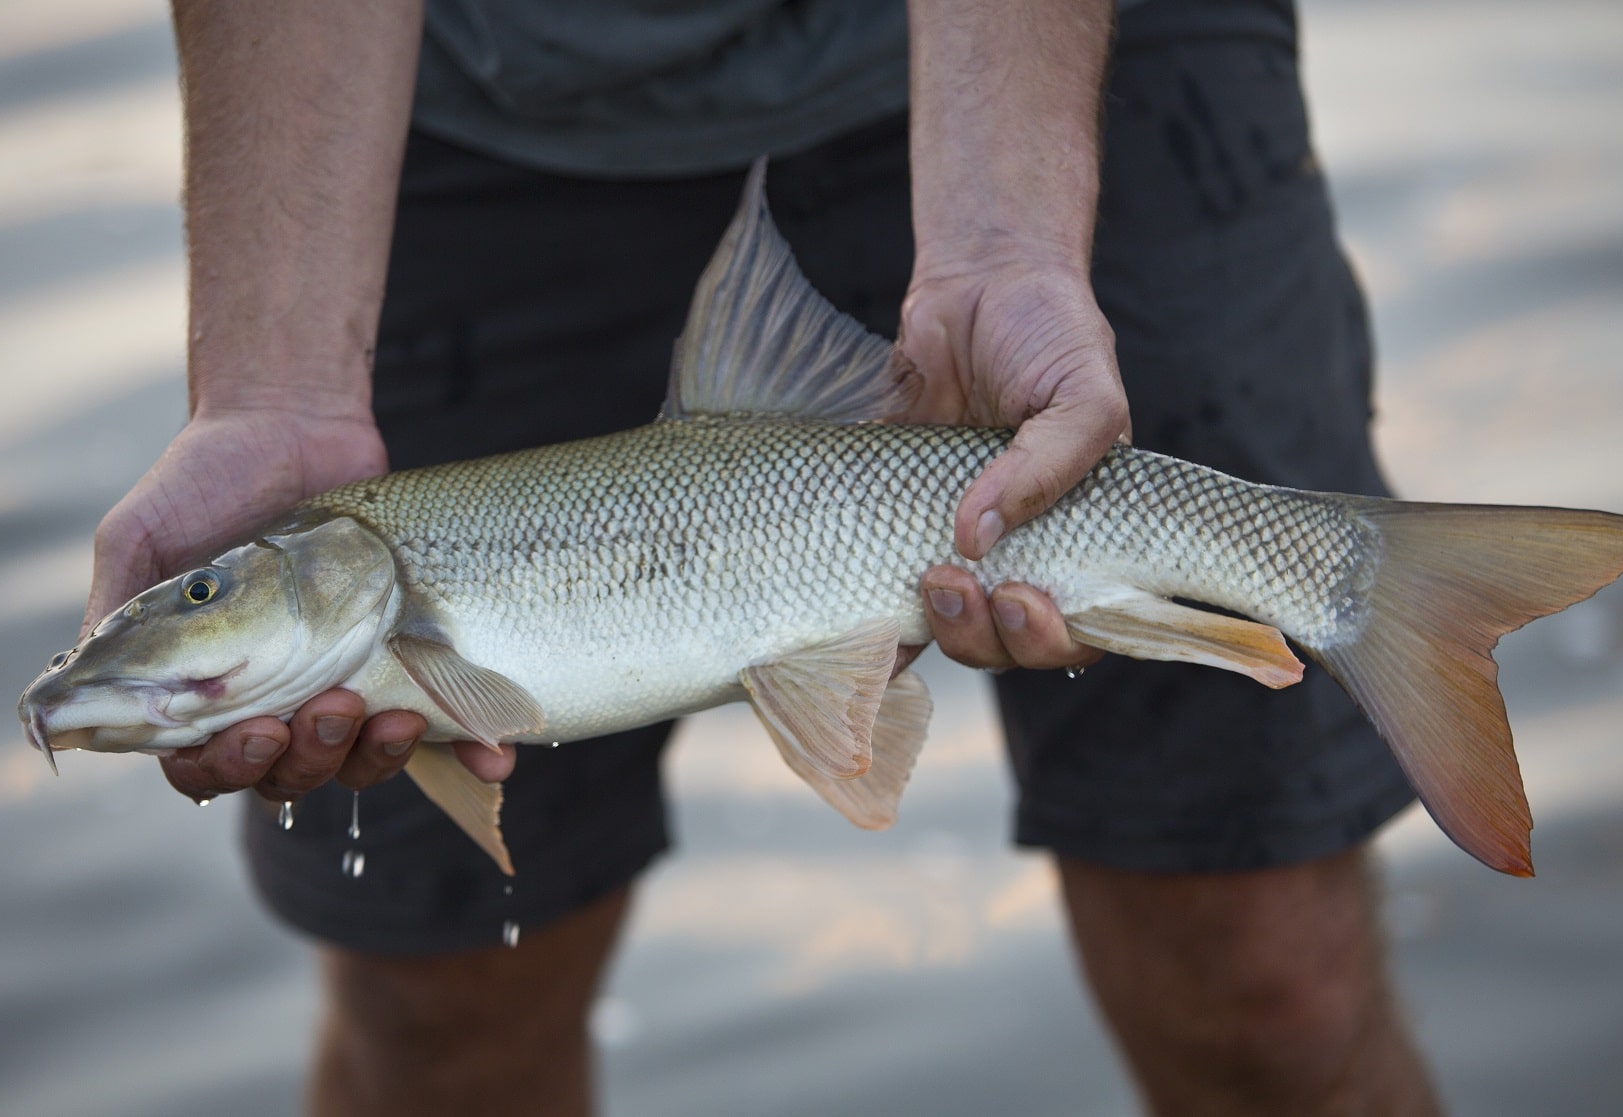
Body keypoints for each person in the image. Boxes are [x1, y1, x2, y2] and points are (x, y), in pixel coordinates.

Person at [84, 0, 1441, 1113]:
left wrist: (1007, 239)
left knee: (1274, 983)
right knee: (438, 1020)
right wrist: (267, 389)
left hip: (1061, 45)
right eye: (205, 588)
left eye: (208, 586)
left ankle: (1376, 590)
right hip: (450, 96)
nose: (198, 596)